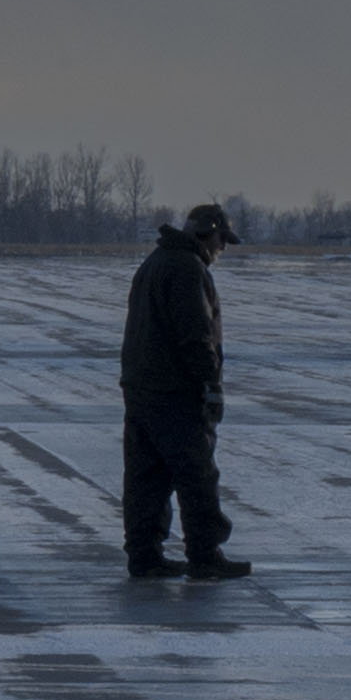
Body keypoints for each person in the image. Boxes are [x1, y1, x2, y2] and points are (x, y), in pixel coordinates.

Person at [121, 203, 247, 582]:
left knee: (147, 476)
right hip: (175, 391)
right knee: (196, 473)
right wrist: (209, 384)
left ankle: (144, 554)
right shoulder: (187, 269)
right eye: (221, 239)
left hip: (142, 387)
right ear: (205, 234)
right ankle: (205, 553)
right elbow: (196, 334)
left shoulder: (156, 262)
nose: (221, 248)